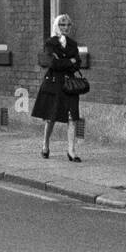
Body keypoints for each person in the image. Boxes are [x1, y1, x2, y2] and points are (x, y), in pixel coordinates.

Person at [31, 14, 83, 162]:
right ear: (56, 26)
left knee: (72, 117)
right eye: (62, 25)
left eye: (68, 25)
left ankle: (71, 151)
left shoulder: (73, 44)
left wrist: (64, 61)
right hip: (54, 83)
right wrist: (69, 61)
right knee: (50, 118)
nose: (65, 28)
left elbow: (78, 63)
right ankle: (45, 145)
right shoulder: (50, 43)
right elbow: (53, 64)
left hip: (70, 84)